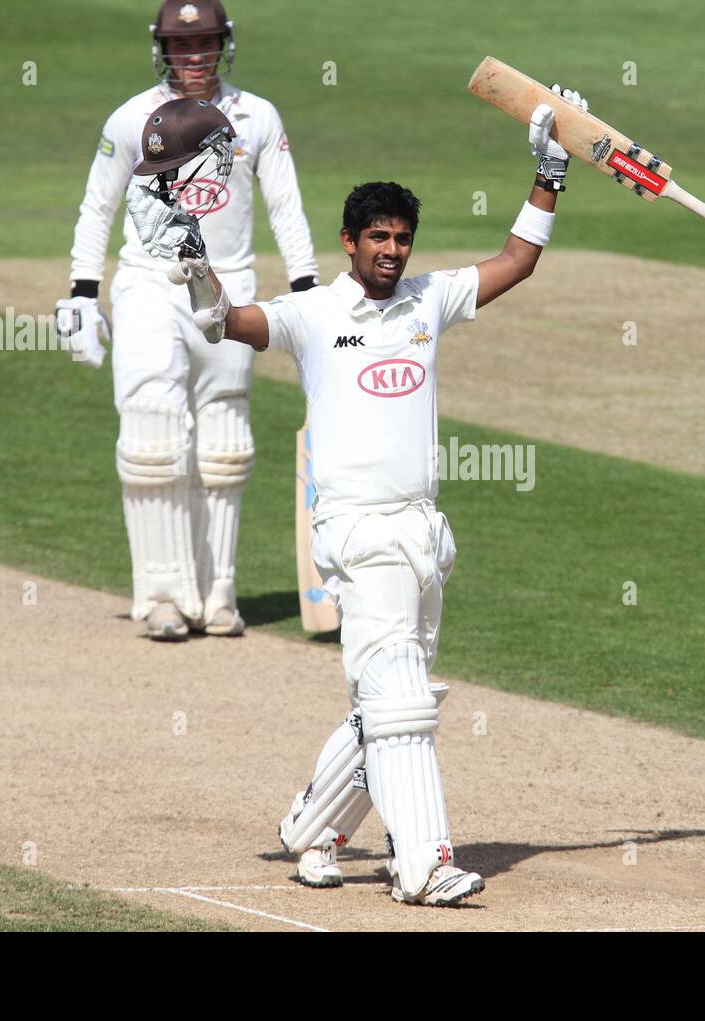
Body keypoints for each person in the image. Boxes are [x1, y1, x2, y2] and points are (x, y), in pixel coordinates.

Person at [123, 84, 588, 904]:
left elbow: (518, 260)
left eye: (402, 238)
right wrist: (191, 269)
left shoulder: (428, 301)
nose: (392, 251)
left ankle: (313, 829)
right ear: (348, 241)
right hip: (355, 531)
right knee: (401, 698)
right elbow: (226, 321)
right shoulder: (312, 313)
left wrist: (550, 171)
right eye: (378, 237)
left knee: (391, 699)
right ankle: (422, 864)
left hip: (420, 533)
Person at [56, 0, 319, 641]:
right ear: (162, 50)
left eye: (204, 44)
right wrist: (82, 293)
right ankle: (162, 597)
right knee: (153, 439)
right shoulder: (129, 118)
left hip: (228, 288)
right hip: (150, 285)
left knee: (225, 445)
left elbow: (285, 205)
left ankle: (220, 594)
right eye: (182, 45)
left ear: (224, 45)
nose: (193, 56)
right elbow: (98, 207)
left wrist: (309, 291)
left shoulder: (256, 117)